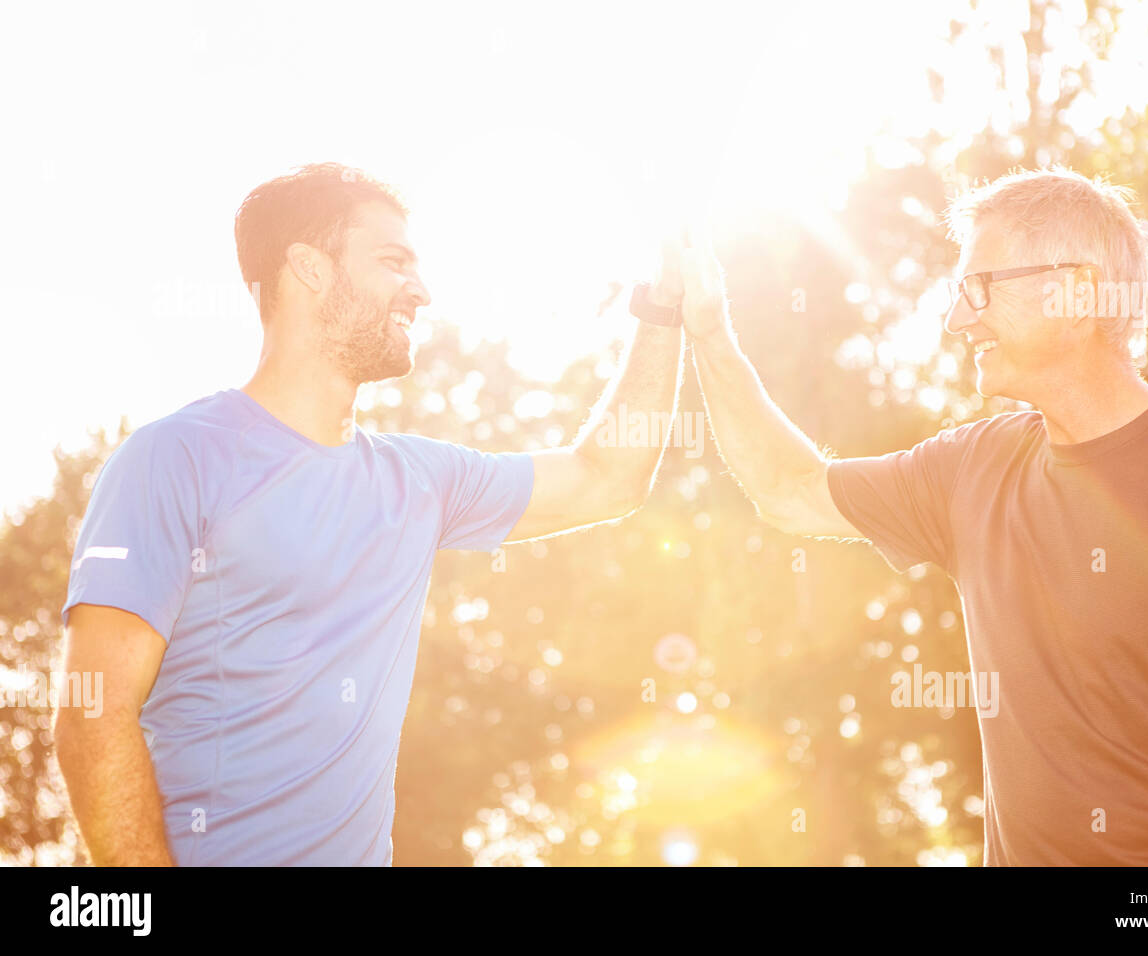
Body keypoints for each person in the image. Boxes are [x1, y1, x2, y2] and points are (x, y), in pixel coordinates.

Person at [54, 163, 686, 865]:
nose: (421, 291)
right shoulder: (172, 460)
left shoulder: (420, 480)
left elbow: (610, 476)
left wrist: (662, 306)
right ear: (310, 269)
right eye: (394, 263)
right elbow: (93, 714)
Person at [675, 167, 1148, 865]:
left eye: (980, 288)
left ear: (1078, 291)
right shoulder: (971, 470)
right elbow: (787, 489)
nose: (956, 318)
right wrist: (708, 331)